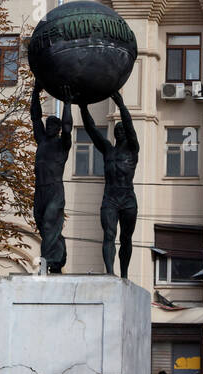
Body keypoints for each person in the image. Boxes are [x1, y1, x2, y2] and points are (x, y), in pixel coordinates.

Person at [79, 90, 138, 278]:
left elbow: (129, 126)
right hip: (110, 198)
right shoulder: (108, 150)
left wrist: (121, 106)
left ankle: (125, 273)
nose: (120, 132)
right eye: (117, 130)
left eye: (122, 130)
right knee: (109, 235)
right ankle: (110, 272)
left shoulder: (132, 150)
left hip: (128, 199)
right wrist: (82, 107)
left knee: (126, 238)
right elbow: (92, 130)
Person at [30, 86, 72, 273]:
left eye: (53, 125)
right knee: (44, 226)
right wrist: (35, 92)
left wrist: (68, 103)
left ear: (58, 128)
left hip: (55, 190)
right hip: (40, 190)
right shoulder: (42, 140)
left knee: (48, 224)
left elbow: (68, 127)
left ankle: (45, 264)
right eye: (48, 125)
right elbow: (35, 117)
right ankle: (59, 255)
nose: (49, 127)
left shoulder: (62, 144)